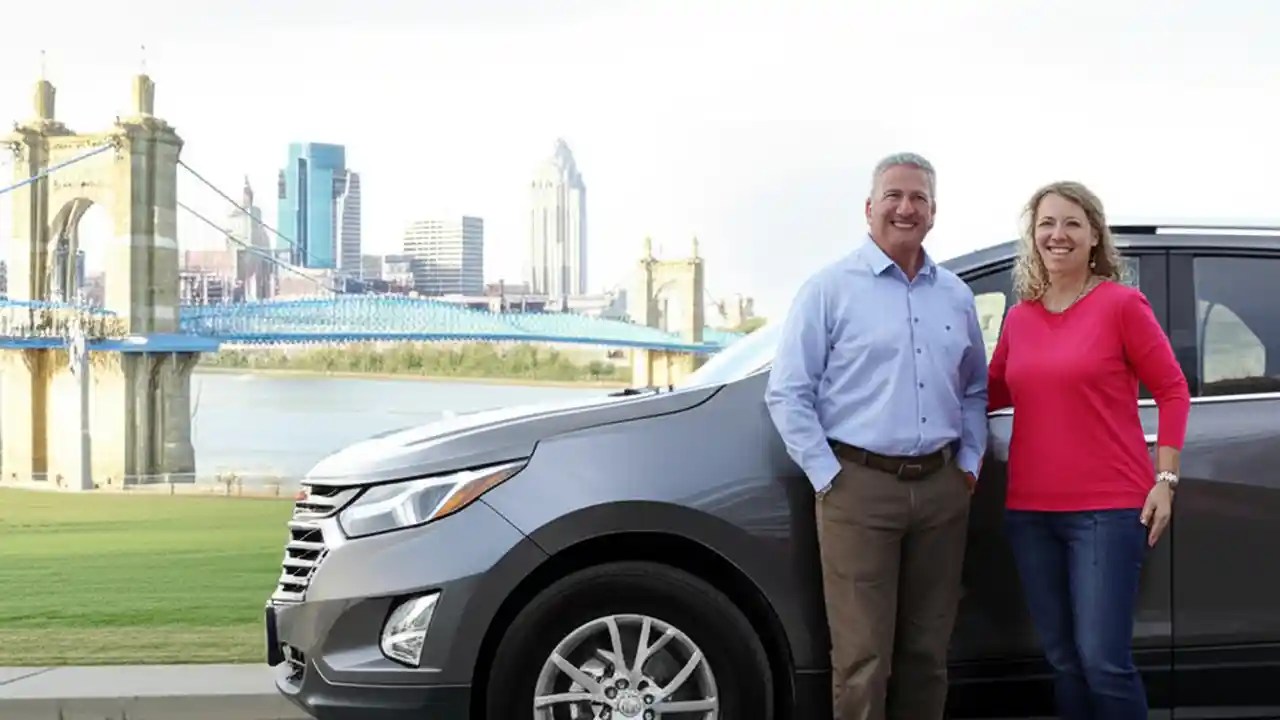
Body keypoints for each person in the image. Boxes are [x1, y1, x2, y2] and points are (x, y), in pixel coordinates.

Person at [765, 152, 989, 720]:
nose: (905, 207)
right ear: (870, 208)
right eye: (894, 196)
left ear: (934, 213)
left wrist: (969, 462)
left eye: (918, 198)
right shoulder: (829, 290)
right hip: (857, 490)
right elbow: (788, 392)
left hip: (942, 490)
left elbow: (973, 391)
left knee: (927, 654)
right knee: (863, 659)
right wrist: (828, 476)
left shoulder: (956, 297)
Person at [987, 181, 1190, 719]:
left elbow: (1172, 389)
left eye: (1072, 223)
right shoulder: (1020, 318)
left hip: (1106, 512)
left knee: (1103, 661)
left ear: (1095, 236)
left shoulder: (1121, 305)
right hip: (1031, 514)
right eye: (1047, 224)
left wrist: (1165, 481)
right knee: (1064, 661)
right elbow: (988, 392)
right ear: (1033, 237)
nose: (1059, 234)